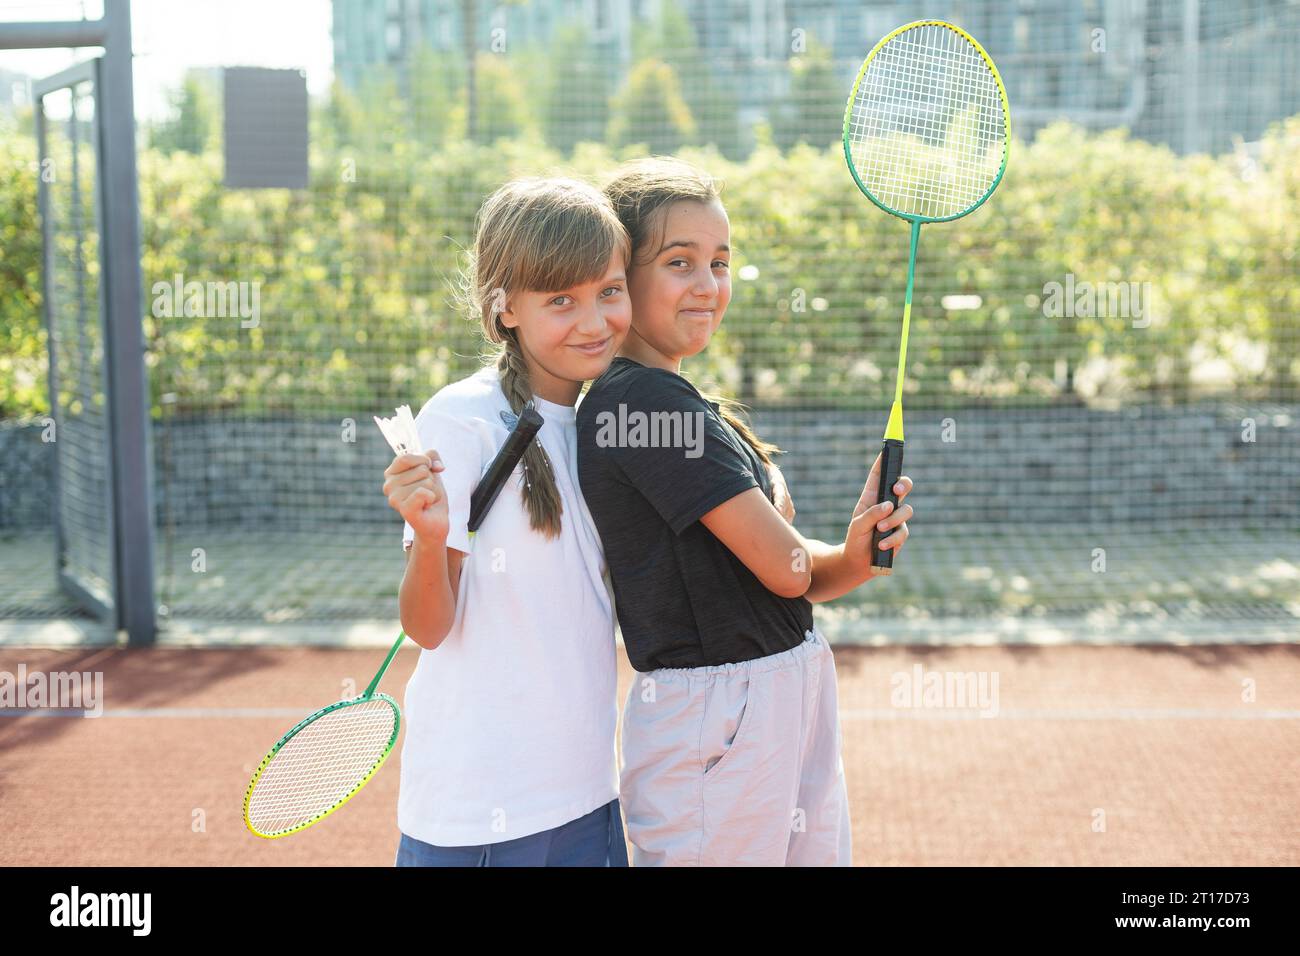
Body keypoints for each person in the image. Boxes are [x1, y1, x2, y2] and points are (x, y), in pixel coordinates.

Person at [576, 157, 915, 866]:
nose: (708, 285)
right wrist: (787, 520)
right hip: (720, 718)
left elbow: (791, 570)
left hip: (778, 688)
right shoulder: (639, 405)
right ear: (619, 278)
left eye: (721, 262)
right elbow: (786, 567)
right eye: (680, 262)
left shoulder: (683, 401)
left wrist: (852, 555)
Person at [382, 177, 633, 865]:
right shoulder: (460, 420)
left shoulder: (606, 420)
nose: (592, 321)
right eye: (561, 301)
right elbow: (428, 627)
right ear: (504, 309)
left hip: (589, 795)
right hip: (477, 814)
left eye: (609, 291)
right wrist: (430, 543)